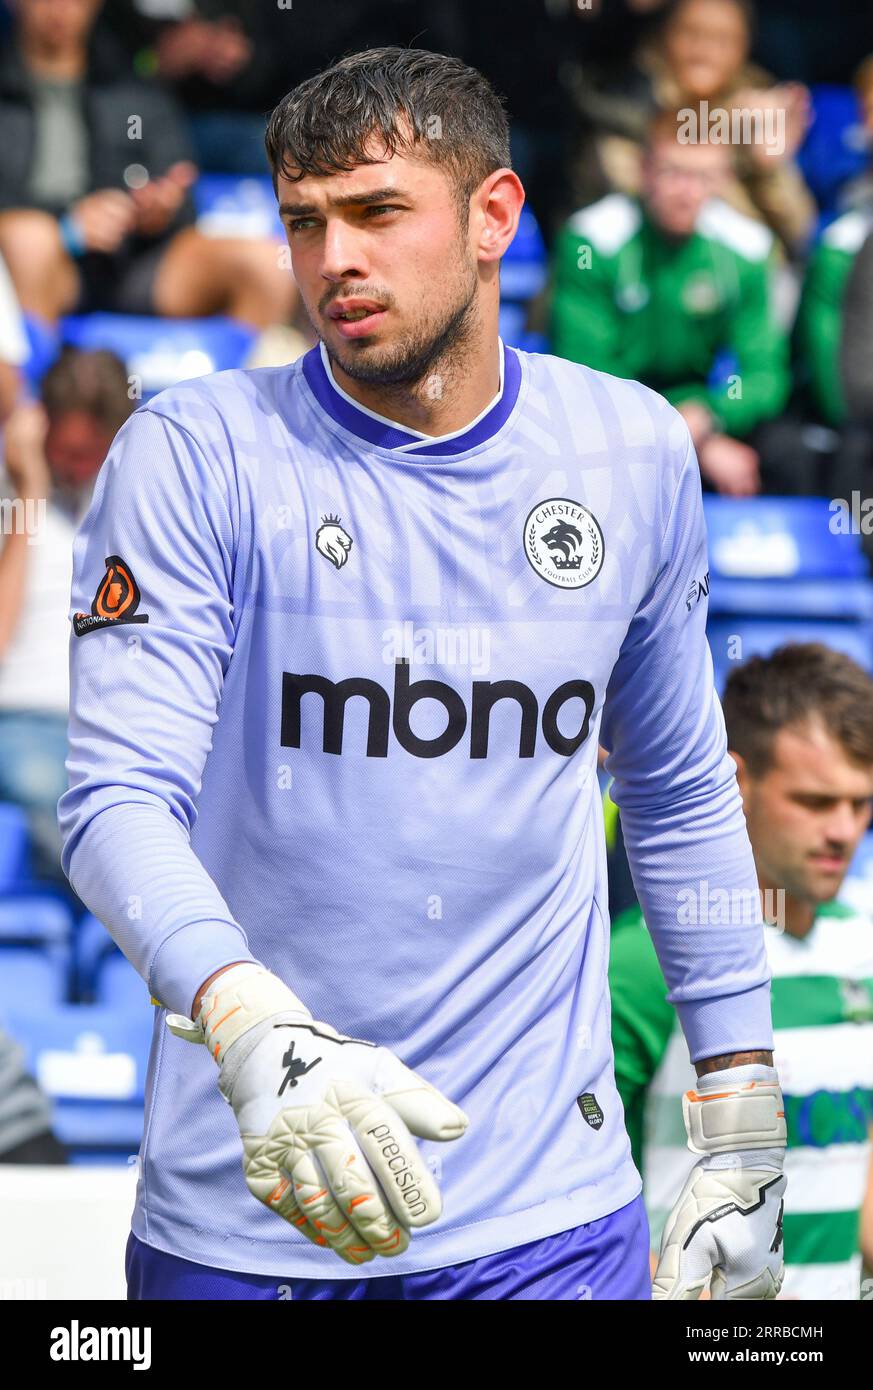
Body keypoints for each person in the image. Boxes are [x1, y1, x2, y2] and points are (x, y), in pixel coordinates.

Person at [59, 46, 785, 1303]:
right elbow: (115, 800)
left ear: (495, 215)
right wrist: (249, 1023)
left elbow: (675, 793)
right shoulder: (194, 454)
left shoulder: (629, 450)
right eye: (303, 221)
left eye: (378, 211)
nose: (334, 257)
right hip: (253, 1201)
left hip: (549, 1214)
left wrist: (739, 1109)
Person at [610, 643, 873, 1299]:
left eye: (859, 803)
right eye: (814, 802)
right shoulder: (644, 957)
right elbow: (560, 1178)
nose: (843, 830)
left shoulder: (865, 941)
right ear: (736, 782)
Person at [0, 0, 297, 329]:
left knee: (270, 265)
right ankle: (43, 380)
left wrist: (160, 209)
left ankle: (242, 382)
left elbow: (179, 186)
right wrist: (67, 227)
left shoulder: (130, 85)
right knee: (30, 239)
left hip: (132, 257)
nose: (61, 7)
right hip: (37, 263)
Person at [551, 110, 791, 497]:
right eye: (672, 172)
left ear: (725, 180)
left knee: (787, 452)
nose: (686, 190)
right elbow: (585, 371)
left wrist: (713, 414)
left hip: (706, 413)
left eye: (704, 177)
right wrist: (683, 427)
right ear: (644, 170)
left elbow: (763, 373)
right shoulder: (593, 242)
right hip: (610, 420)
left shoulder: (747, 250)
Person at [0, 347, 132, 885]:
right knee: (60, 797)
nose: (81, 467)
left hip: (114, 723)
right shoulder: (15, 498)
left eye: (94, 454)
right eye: (70, 451)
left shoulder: (137, 498)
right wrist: (28, 493)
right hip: (25, 717)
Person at [566, 0, 815, 258]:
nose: (705, 50)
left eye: (723, 39)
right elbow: (670, 213)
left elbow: (798, 235)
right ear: (663, 36)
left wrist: (767, 168)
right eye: (692, 33)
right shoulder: (621, 108)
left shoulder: (756, 112)